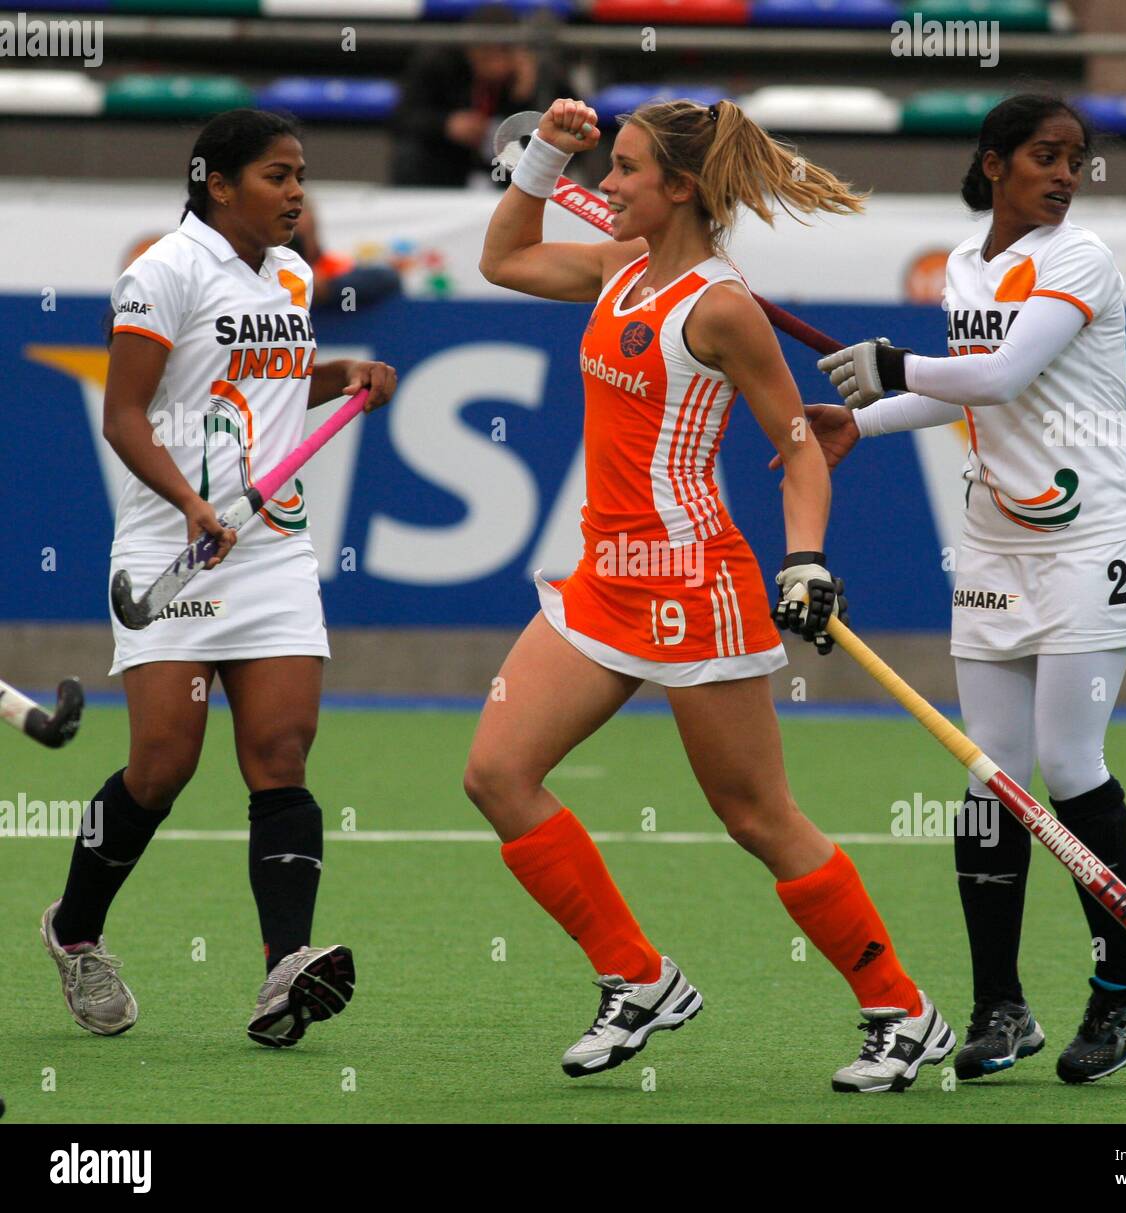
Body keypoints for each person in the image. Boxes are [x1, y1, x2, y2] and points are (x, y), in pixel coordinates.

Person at [468, 96, 954, 1093]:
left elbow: (800, 446)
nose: (604, 187)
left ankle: (902, 1010)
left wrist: (804, 560)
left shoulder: (719, 307)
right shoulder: (617, 265)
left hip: (698, 584)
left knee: (755, 815)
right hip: (603, 577)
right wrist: (542, 159)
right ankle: (637, 977)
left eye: (625, 170)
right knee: (496, 775)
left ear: (680, 188)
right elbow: (503, 261)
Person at [806, 94, 1126, 1084]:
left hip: (1090, 537)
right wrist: (871, 417)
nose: (1063, 175)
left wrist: (890, 362)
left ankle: (1125, 981)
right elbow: (961, 384)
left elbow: (1006, 373)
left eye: (1074, 158)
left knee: (1064, 761)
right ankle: (998, 1005)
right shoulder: (969, 267)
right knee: (991, 778)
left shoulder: (1079, 259)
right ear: (992, 165)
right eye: (1043, 157)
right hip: (993, 548)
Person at [41, 108, 397, 1048]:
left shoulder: (290, 272)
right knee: (163, 764)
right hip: (175, 552)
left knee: (280, 753)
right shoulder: (161, 272)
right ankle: (75, 932)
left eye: (302, 175)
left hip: (272, 549)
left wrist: (341, 372)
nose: (297, 193)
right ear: (218, 182)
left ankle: (284, 970)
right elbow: (125, 415)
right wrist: (193, 507)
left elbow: (269, 376)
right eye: (279, 176)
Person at [390, 4, 561, 187]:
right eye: (485, 54)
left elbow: (555, 133)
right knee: (411, 152)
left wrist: (523, 96)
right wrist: (447, 124)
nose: (494, 65)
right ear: (469, 48)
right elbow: (402, 118)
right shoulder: (439, 63)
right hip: (448, 161)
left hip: (507, 173)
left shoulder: (533, 73)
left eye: (502, 52)